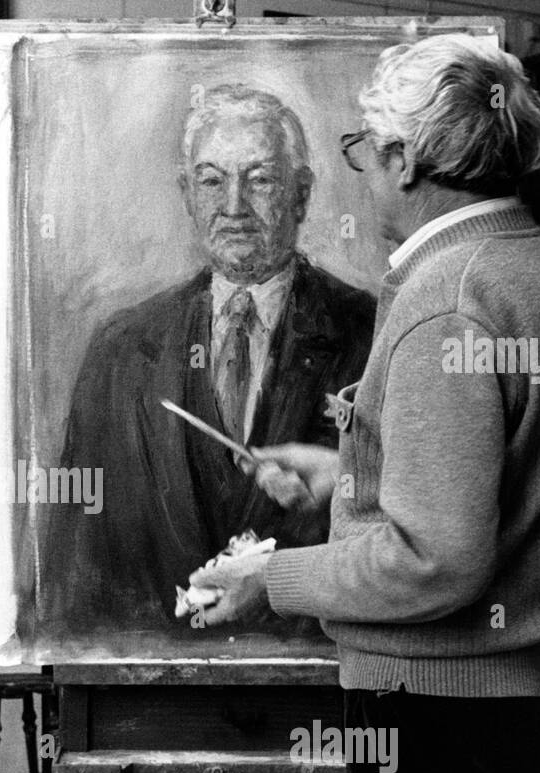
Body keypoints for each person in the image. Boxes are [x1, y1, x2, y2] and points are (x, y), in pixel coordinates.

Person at [188, 35, 540, 773]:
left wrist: (274, 577)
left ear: (409, 159)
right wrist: (345, 465)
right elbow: (488, 480)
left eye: (363, 151)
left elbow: (440, 559)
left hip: (439, 717)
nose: (362, 177)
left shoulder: (446, 299)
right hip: (523, 704)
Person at [47, 85, 375, 635]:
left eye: (261, 180)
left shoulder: (370, 330)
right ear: (186, 193)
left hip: (315, 680)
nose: (233, 207)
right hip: (150, 682)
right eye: (211, 180)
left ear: (300, 194)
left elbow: (402, 528)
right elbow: (77, 556)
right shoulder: (121, 349)